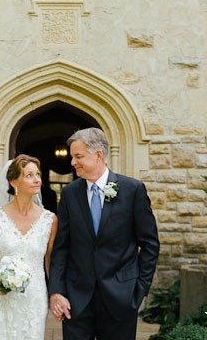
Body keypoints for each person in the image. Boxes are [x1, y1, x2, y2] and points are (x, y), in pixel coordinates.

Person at [48, 127, 160, 339]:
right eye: (72, 157)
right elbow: (61, 248)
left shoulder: (132, 190)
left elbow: (150, 244)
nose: (72, 162)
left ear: (98, 155)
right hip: (76, 299)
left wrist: (140, 289)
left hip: (122, 297)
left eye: (78, 156)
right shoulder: (70, 194)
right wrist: (56, 291)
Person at [0, 154, 58, 340]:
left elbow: (51, 264)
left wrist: (55, 294)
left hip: (34, 297)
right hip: (0, 296)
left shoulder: (49, 220)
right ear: (14, 182)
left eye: (38, 174)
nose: (37, 180)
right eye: (29, 175)